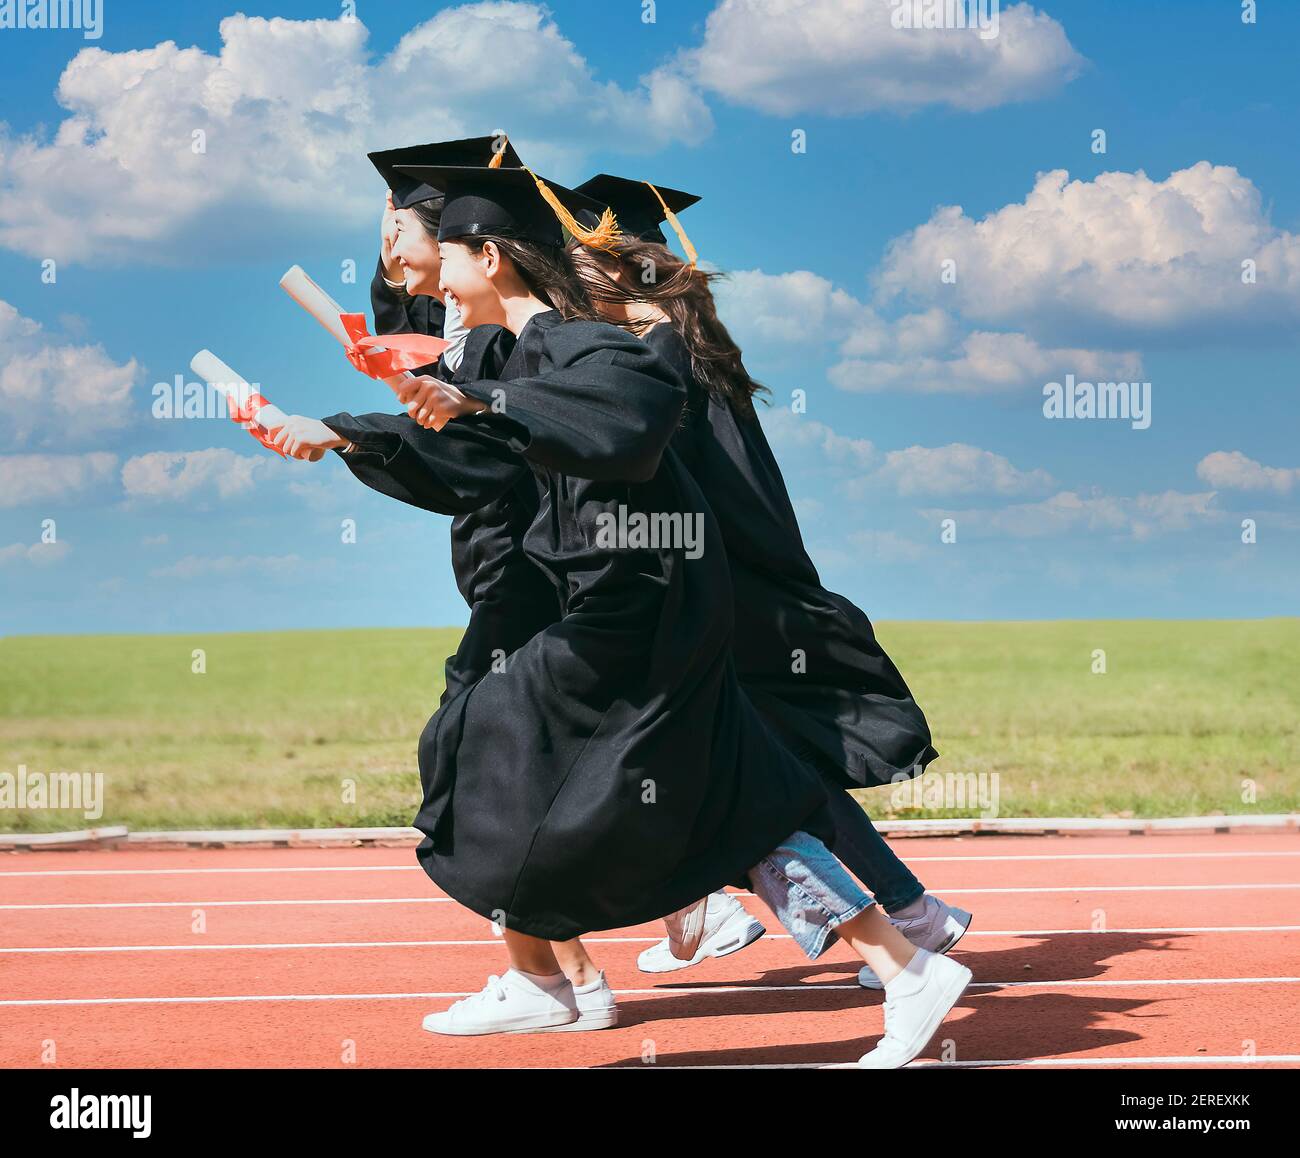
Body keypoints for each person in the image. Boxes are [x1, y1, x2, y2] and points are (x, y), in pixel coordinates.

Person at [270, 161, 971, 1066]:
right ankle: (905, 961)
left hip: (648, 601)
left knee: (499, 736)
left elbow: (622, 417)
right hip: (606, 600)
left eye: (447, 254)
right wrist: (347, 433)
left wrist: (474, 399)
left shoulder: (584, 345)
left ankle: (568, 973)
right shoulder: (513, 355)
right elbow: (479, 468)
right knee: (724, 796)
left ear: (492, 254)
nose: (434, 277)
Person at [567, 175, 972, 989]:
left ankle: (755, 916)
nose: (566, 287)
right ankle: (902, 913)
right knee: (770, 771)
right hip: (735, 592)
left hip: (721, 599)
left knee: (719, 769)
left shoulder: (658, 357)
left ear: (616, 269)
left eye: (576, 268)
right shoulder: (689, 344)